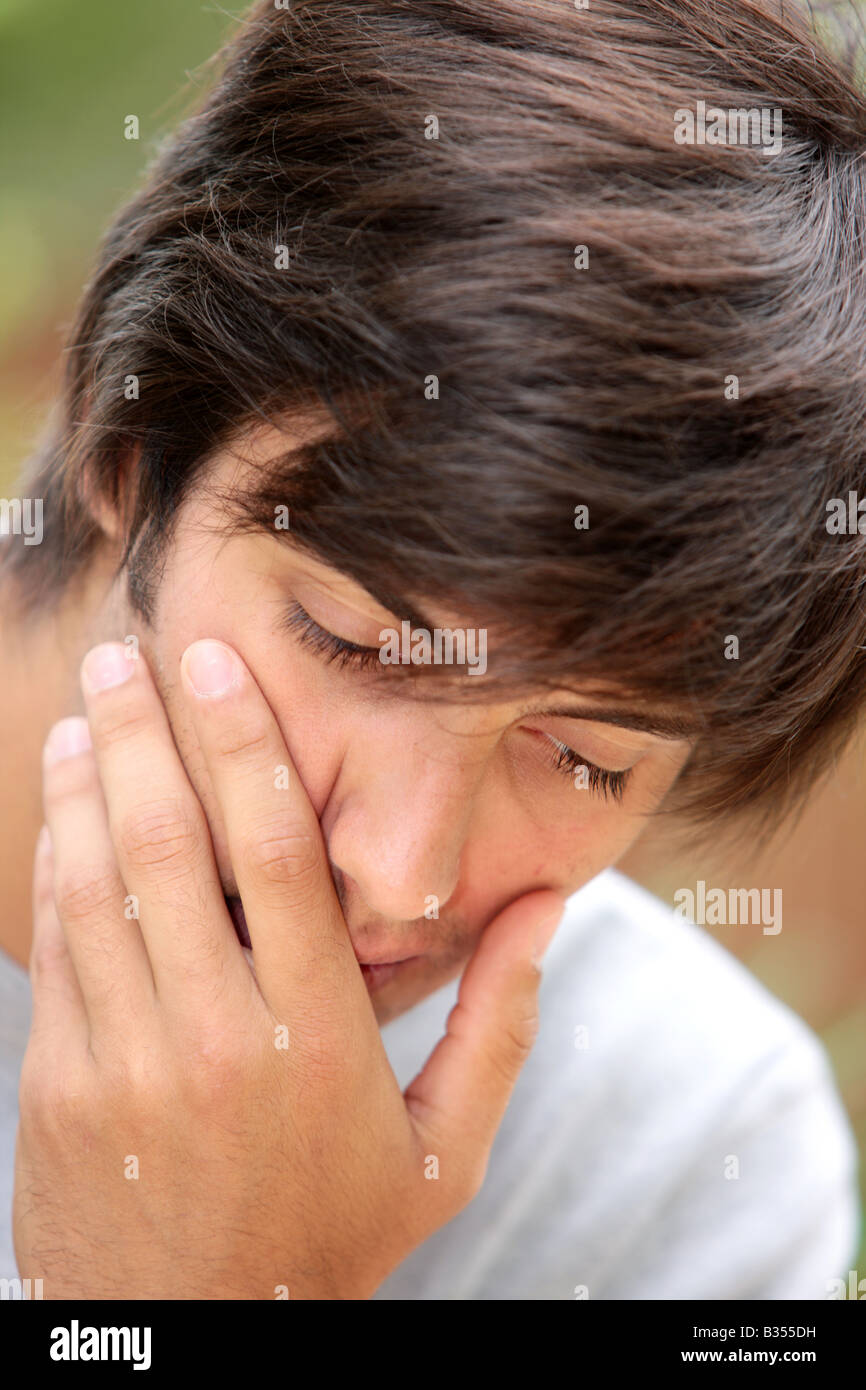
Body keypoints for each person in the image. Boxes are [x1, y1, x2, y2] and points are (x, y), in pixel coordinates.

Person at [1, 0, 863, 1299]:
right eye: (348, 638)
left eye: (583, 756)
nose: (397, 875)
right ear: (124, 450)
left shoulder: (678, 1157)